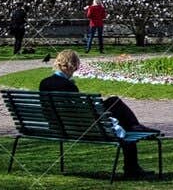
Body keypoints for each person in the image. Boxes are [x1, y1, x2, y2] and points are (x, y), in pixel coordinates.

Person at [39, 49, 152, 179]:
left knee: (113, 104)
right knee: (115, 103)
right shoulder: (69, 86)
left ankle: (134, 129)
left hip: (61, 126)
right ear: (73, 66)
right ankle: (133, 158)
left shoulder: (44, 83)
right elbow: (80, 112)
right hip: (82, 127)